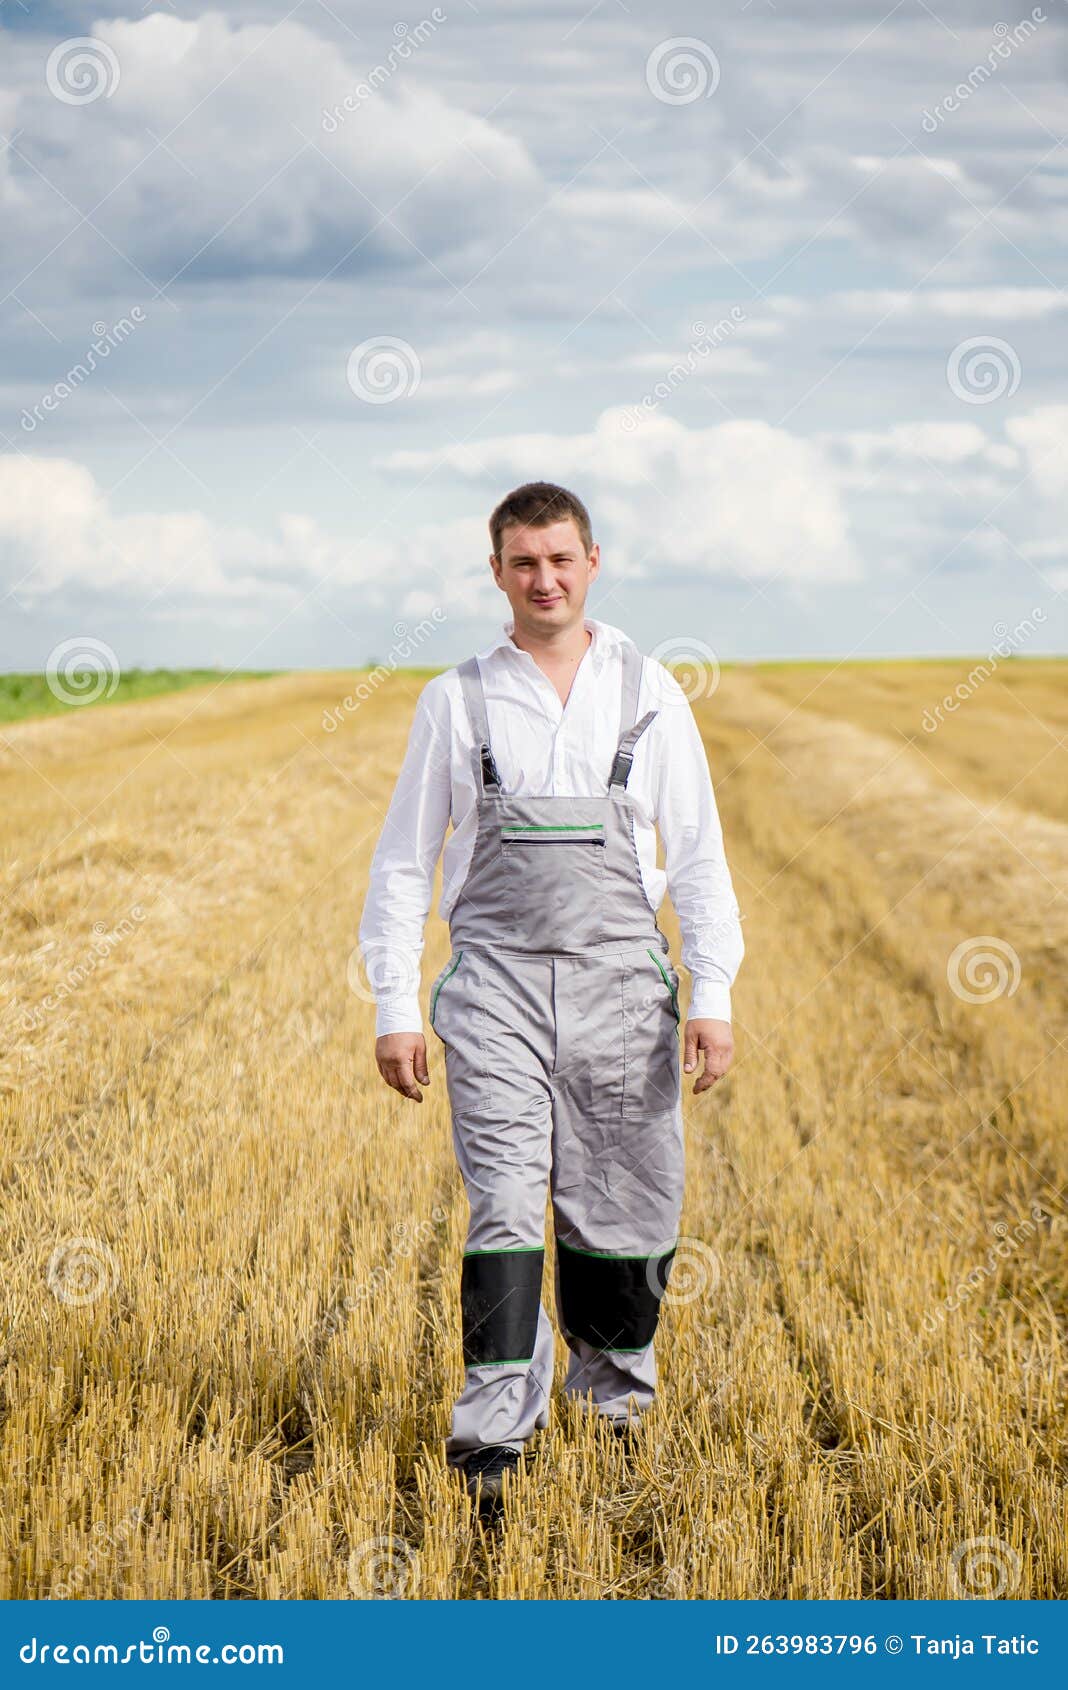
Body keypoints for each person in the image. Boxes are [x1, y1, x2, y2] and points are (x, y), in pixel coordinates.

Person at [358, 481, 744, 1517]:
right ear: (498, 572)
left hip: (626, 985)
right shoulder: (456, 699)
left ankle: (614, 1410)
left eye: (561, 559)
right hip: (496, 992)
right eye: (524, 562)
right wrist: (396, 1003)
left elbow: (698, 856)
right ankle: (493, 1440)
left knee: (626, 1205)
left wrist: (713, 992)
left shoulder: (650, 690)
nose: (545, 579)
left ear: (592, 561)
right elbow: (404, 863)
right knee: (505, 1206)